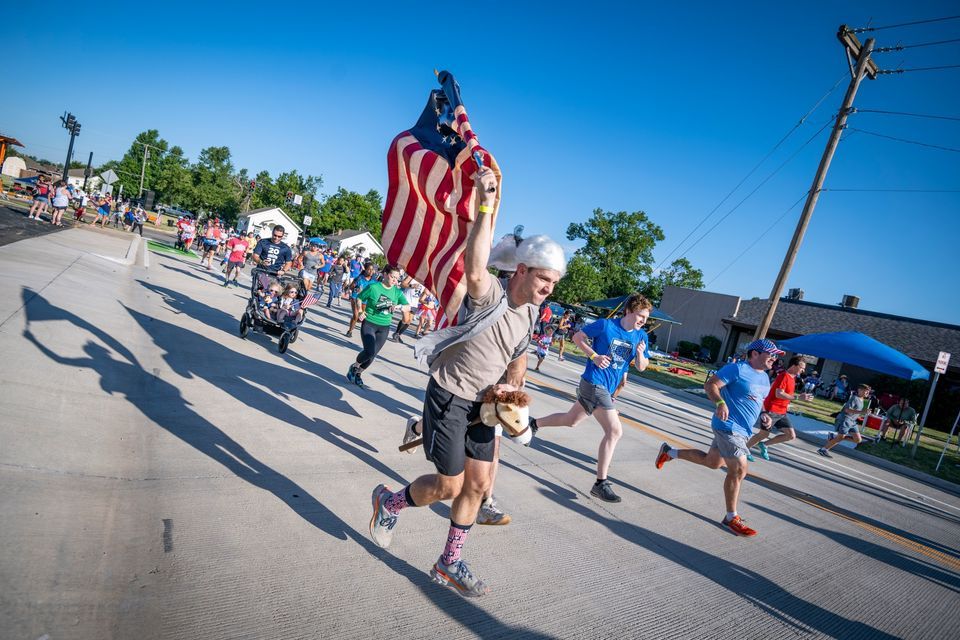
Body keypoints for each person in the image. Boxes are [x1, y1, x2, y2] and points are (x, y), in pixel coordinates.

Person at [368, 166, 565, 597]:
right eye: (544, 279)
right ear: (522, 271)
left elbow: (518, 357)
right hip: (450, 396)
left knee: (479, 485)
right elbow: (474, 266)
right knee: (449, 485)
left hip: (485, 407)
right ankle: (390, 502)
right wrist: (485, 204)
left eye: (553, 283)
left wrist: (515, 397)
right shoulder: (491, 292)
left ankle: (449, 561)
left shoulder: (532, 313)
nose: (549, 288)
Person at [528, 294, 652, 502]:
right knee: (614, 431)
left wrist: (640, 355)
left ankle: (534, 423)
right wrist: (594, 356)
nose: (642, 321)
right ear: (629, 311)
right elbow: (577, 337)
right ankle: (600, 483)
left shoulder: (641, 337)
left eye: (646, 318)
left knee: (571, 420)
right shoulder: (606, 326)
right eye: (640, 316)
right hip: (594, 382)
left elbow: (642, 366)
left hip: (607, 388)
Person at [655, 338, 784, 537]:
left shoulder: (765, 377)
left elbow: (759, 401)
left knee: (712, 462)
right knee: (739, 468)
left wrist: (763, 415)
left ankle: (669, 452)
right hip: (728, 426)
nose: (774, 359)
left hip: (743, 430)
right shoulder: (737, 369)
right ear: (755, 353)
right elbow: (711, 385)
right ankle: (731, 518)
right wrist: (720, 403)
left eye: (776, 355)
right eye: (771, 354)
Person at [346, 264, 411, 388]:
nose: (395, 280)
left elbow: (408, 306)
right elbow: (359, 298)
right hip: (369, 323)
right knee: (369, 351)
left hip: (384, 327)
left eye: (397, 278)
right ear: (385, 274)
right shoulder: (374, 287)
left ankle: (359, 373)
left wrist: (399, 307)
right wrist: (360, 311)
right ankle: (354, 366)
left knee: (373, 354)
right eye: (393, 277)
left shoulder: (396, 292)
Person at [747, 355, 813, 461]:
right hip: (771, 410)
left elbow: (778, 390)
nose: (803, 370)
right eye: (801, 367)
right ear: (794, 366)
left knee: (791, 435)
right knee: (763, 434)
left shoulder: (793, 378)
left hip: (782, 412)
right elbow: (779, 394)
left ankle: (763, 445)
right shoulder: (784, 376)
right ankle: (744, 450)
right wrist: (798, 397)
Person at [818, 384, 871, 457]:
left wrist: (864, 412)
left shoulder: (862, 399)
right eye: (866, 392)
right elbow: (847, 410)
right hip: (845, 419)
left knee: (858, 440)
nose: (867, 393)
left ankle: (833, 436)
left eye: (868, 392)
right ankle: (823, 449)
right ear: (860, 390)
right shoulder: (854, 398)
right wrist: (862, 412)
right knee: (840, 437)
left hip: (852, 422)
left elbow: (856, 411)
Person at [345, 261, 377, 337]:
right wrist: (356, 289)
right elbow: (351, 287)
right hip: (356, 298)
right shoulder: (359, 278)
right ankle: (350, 331)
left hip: (365, 300)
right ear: (365, 269)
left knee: (360, 318)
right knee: (356, 316)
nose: (371, 271)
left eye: (372, 270)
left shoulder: (374, 281)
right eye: (369, 269)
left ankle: (355, 322)